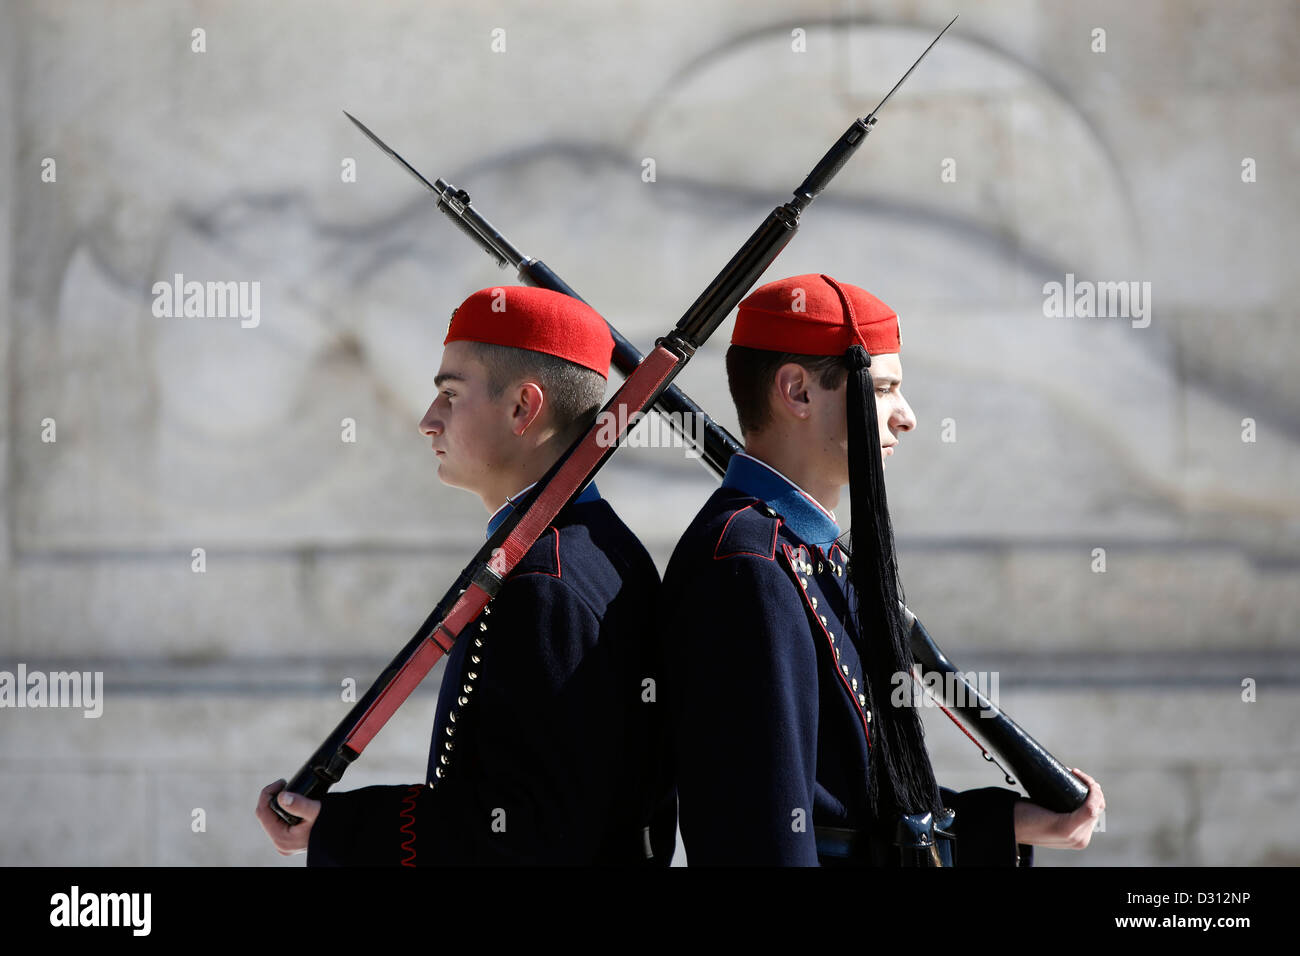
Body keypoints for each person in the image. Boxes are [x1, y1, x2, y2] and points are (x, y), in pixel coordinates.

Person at [660, 273, 1105, 865]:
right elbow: (765, 836)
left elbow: (849, 804)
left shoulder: (802, 550)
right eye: (885, 387)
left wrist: (1013, 822)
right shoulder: (749, 566)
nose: (907, 417)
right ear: (797, 392)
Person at [256, 285, 673, 865]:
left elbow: (528, 832)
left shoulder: (543, 585)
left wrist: (342, 828)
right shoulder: (593, 551)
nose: (429, 421)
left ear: (524, 408)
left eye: (450, 394)